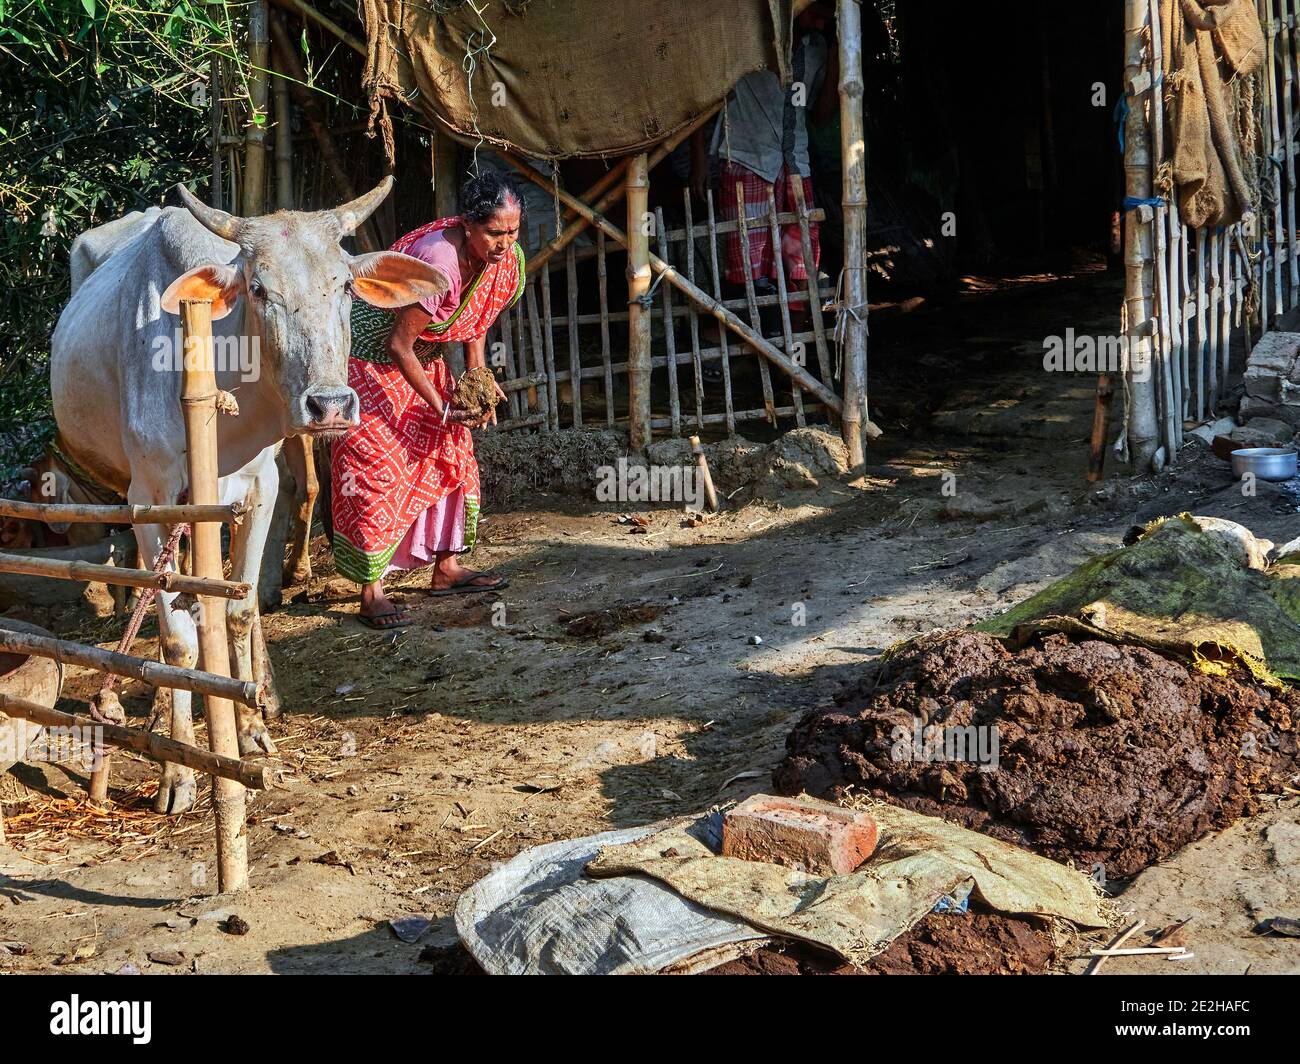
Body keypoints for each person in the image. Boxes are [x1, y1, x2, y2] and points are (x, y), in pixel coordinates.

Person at [331, 172, 523, 629]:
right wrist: (440, 404)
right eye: (495, 232)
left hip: (422, 360)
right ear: (468, 226)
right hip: (373, 360)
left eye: (513, 231)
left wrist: (476, 374)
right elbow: (399, 343)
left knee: (449, 455)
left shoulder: (500, 258)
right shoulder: (438, 260)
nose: (505, 242)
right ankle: (371, 591)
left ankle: (447, 568)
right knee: (374, 467)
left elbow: (480, 312)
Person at [691, 4, 835, 332]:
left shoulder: (817, 50)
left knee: (799, 266)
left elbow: (822, 115)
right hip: (748, 156)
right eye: (815, 13)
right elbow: (703, 95)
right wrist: (700, 159)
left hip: (796, 163)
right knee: (747, 266)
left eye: (827, 19)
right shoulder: (745, 39)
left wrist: (837, 52)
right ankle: (752, 339)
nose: (820, 23)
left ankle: (792, 349)